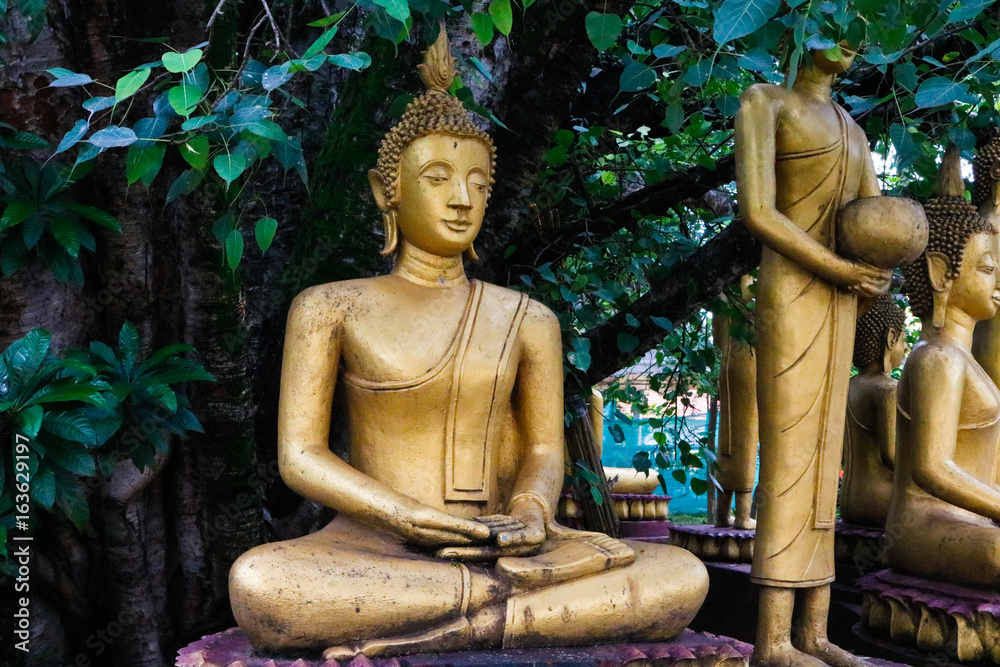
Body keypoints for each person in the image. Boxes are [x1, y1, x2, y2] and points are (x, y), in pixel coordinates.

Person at [228, 28, 708, 659]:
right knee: (263, 584)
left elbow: (541, 445)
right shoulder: (330, 306)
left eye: (478, 183)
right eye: (438, 177)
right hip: (374, 547)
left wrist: (533, 509)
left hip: (510, 547)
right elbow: (301, 457)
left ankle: (475, 618)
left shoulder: (526, 317)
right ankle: (515, 610)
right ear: (386, 191)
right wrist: (404, 517)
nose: (461, 199)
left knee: (681, 576)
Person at [734, 44, 891, 667]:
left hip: (840, 298)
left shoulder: (855, 130)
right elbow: (759, 212)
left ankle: (814, 632)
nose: (848, 37)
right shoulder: (764, 102)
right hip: (793, 290)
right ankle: (772, 639)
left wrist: (878, 262)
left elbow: (869, 217)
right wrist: (840, 268)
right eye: (831, 18)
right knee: (791, 451)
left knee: (828, 461)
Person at [886, 146, 1000, 588]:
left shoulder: (964, 360)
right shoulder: (937, 357)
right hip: (925, 526)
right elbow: (932, 468)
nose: (998, 282)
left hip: (970, 522)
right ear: (940, 272)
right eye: (988, 269)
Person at [841, 294, 907, 528]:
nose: (906, 347)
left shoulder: (848, 386)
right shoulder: (887, 389)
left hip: (849, 501)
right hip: (881, 501)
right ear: (890, 338)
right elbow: (890, 455)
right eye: (903, 339)